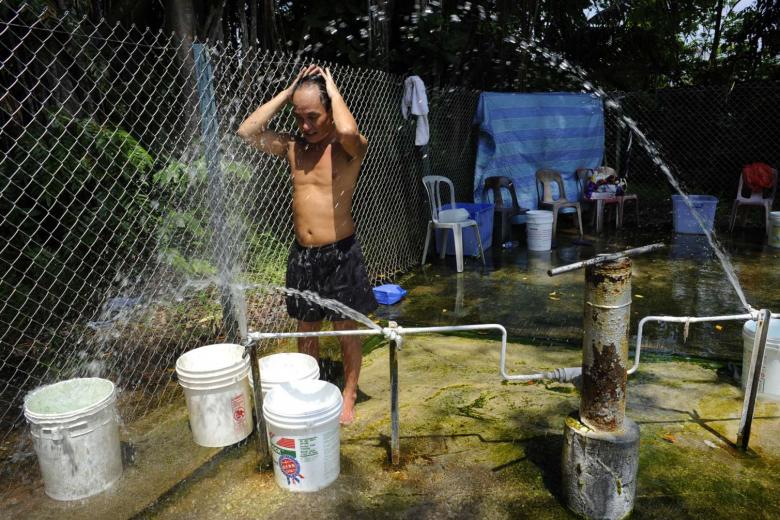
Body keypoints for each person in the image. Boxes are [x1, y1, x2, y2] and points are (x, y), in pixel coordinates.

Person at [237, 64, 377, 425]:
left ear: (330, 110)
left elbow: (348, 128)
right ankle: (312, 390)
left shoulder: (349, 148)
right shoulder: (293, 147)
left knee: (346, 329)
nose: (305, 126)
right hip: (303, 255)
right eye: (299, 117)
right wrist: (289, 94)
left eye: (313, 116)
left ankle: (348, 394)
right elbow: (247, 131)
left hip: (340, 253)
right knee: (306, 327)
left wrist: (330, 85)